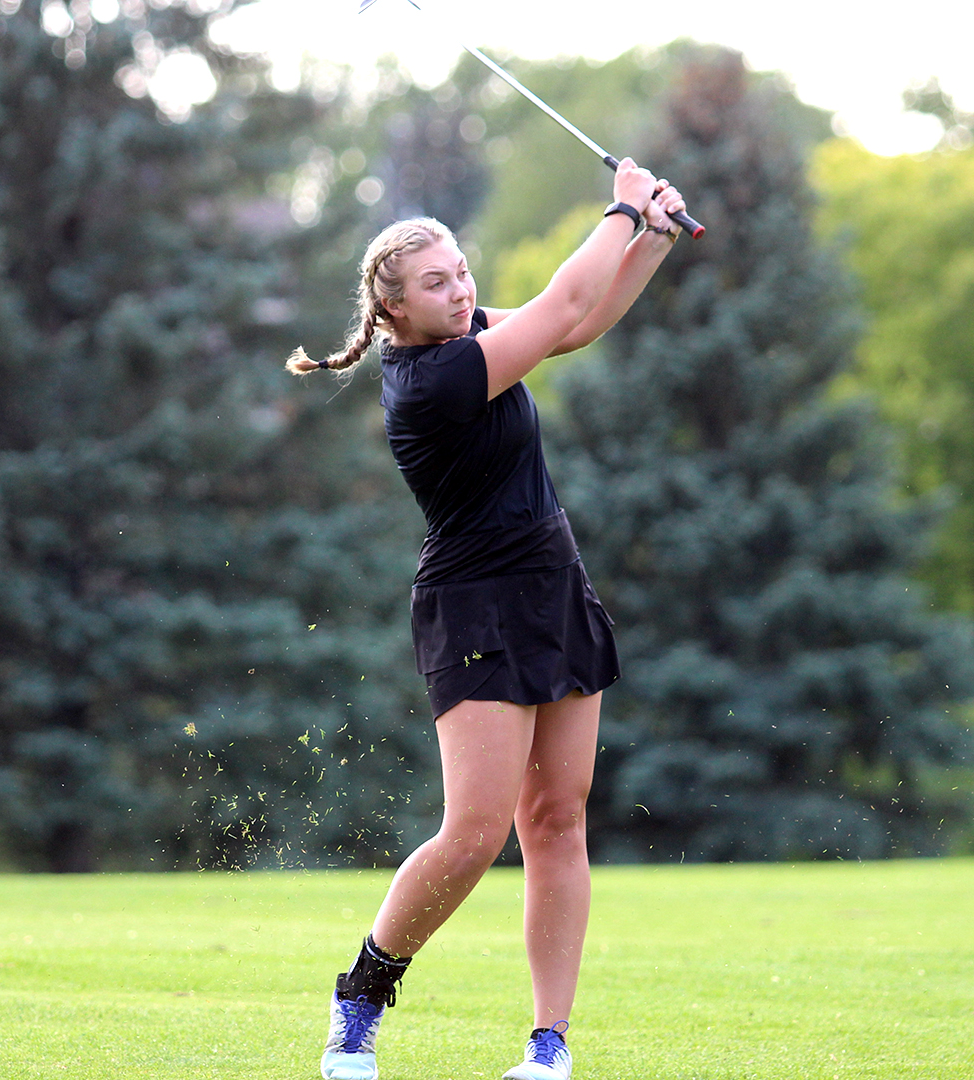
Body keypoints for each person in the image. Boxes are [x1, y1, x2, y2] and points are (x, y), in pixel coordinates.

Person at [285, 159, 687, 1080]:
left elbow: (576, 326)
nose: (461, 290)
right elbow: (562, 300)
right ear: (394, 311)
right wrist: (623, 209)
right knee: (475, 833)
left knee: (558, 820)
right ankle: (361, 997)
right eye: (438, 283)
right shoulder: (431, 380)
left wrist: (653, 239)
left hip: (552, 583)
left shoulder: (468, 335)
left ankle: (549, 1047)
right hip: (472, 604)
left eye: (462, 271)